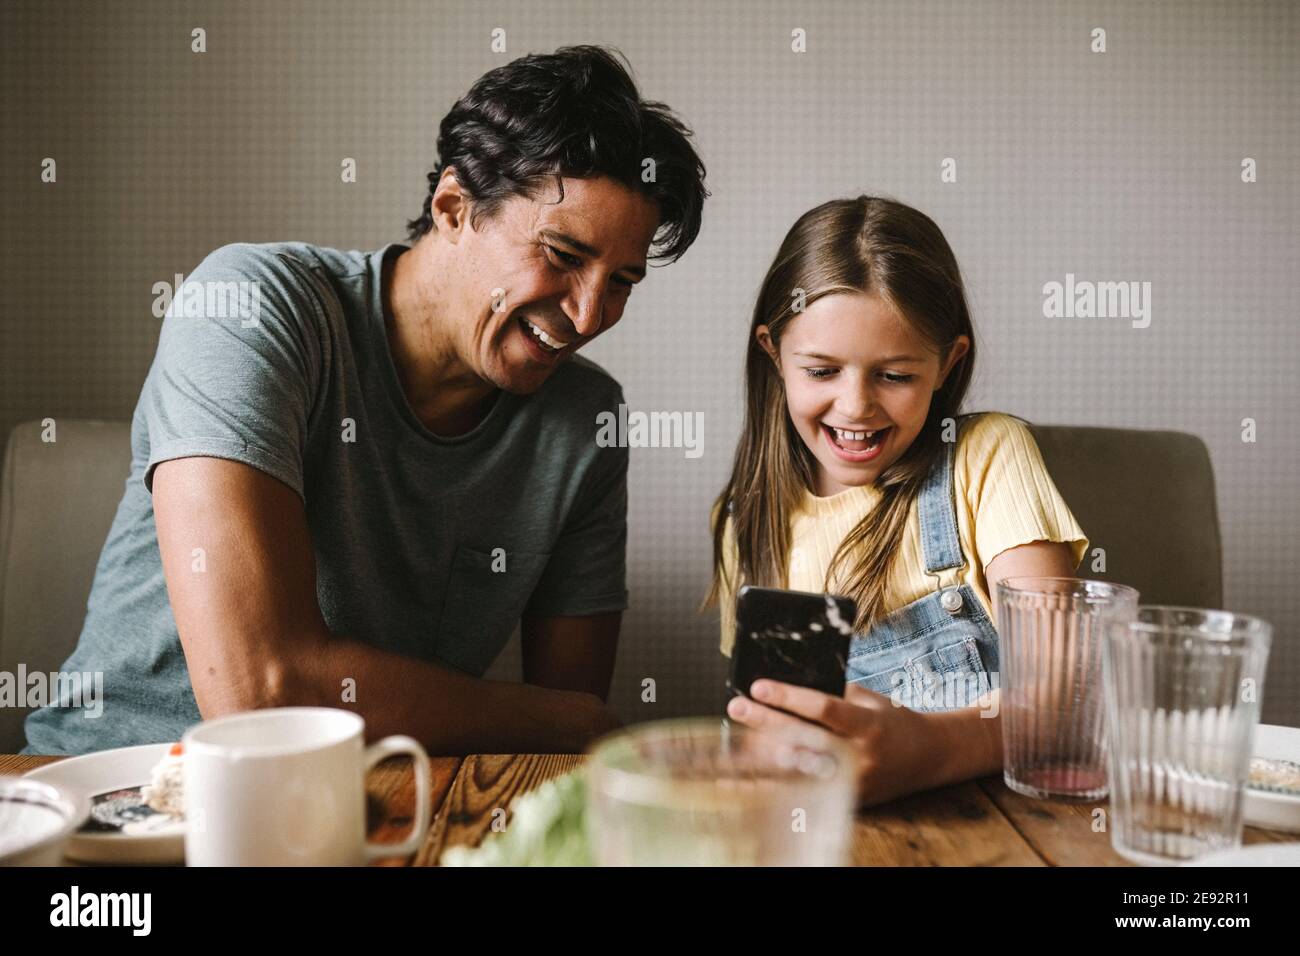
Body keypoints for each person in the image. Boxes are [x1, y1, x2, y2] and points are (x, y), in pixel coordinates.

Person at [23, 45, 707, 756]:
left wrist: (569, 723)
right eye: (563, 257)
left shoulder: (584, 420)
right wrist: (567, 721)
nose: (591, 316)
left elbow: (565, 726)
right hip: (105, 793)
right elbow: (259, 693)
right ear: (452, 207)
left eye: (622, 280)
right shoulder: (251, 305)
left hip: (370, 807)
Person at [707, 195, 1088, 806]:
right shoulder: (748, 522)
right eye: (822, 371)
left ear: (947, 364)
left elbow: (1062, 701)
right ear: (774, 354)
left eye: (895, 375)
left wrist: (927, 750)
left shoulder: (987, 457)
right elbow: (756, 731)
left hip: (1010, 825)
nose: (856, 406)